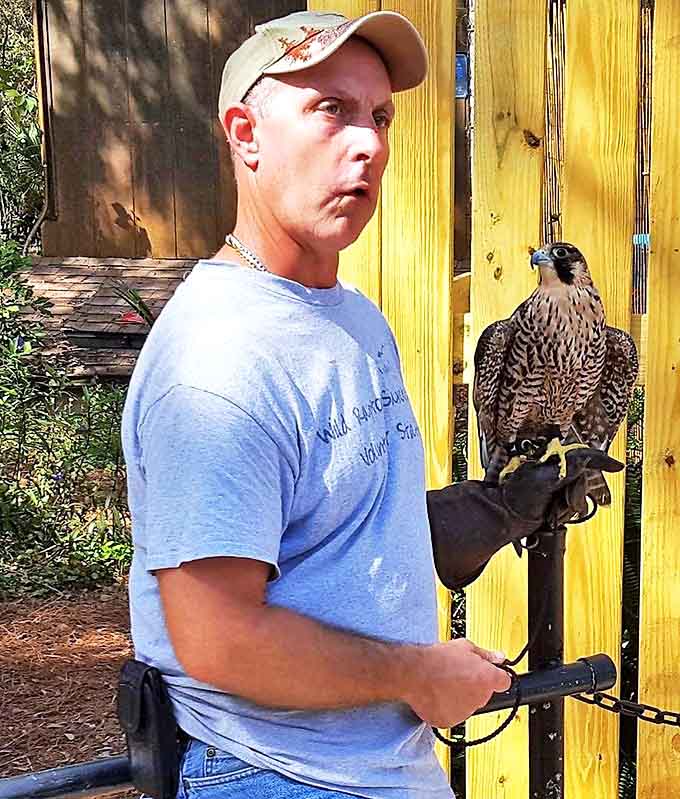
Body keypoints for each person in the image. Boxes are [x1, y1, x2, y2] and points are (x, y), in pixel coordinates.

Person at [121, 10, 623, 799]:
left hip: (379, 765)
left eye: (380, 115)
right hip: (277, 775)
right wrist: (417, 670)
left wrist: (497, 509)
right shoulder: (216, 362)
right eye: (330, 110)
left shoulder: (348, 313)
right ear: (245, 134)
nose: (370, 143)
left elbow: (342, 538)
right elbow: (219, 639)